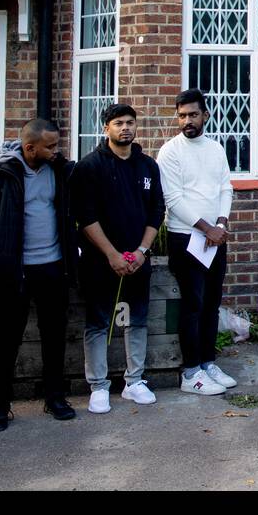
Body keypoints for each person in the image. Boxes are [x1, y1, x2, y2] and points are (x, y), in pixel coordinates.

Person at [0, 119, 77, 431]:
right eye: (49, 146)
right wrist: (0, 253)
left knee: (54, 334)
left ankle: (55, 397)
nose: (55, 151)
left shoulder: (59, 171)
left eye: (57, 145)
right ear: (29, 147)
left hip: (52, 266)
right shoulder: (0, 174)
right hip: (14, 271)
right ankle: (0, 405)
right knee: (7, 339)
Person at [71, 103, 165, 414]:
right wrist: (111, 254)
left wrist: (142, 251)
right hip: (101, 261)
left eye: (130, 122)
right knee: (99, 322)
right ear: (106, 128)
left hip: (138, 259)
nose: (125, 128)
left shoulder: (148, 166)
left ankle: (134, 381)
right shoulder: (89, 167)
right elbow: (85, 216)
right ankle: (98, 386)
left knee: (137, 320)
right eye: (118, 123)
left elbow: (156, 211)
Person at [158, 89, 236, 397]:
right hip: (186, 237)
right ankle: (191, 373)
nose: (187, 120)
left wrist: (221, 223)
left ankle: (208, 362)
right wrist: (206, 228)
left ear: (205, 115)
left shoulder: (215, 148)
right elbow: (173, 199)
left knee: (212, 304)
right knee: (193, 305)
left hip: (215, 237)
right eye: (181, 115)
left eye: (193, 114)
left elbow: (225, 188)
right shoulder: (170, 151)